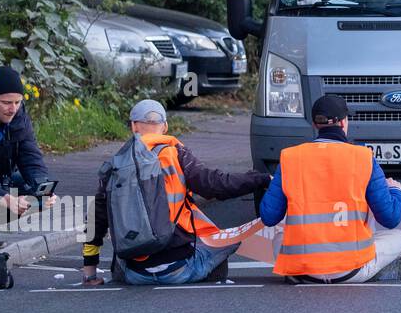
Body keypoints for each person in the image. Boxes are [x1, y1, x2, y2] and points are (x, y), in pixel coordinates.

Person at [81, 99, 271, 286]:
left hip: (135, 274)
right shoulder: (176, 155)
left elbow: (96, 218)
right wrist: (261, 179)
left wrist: (90, 271)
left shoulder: (115, 165)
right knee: (227, 242)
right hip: (179, 269)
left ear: (133, 127)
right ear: (165, 127)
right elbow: (216, 184)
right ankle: (210, 278)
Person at [259, 94, 401, 283]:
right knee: (399, 236)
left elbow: (268, 217)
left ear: (315, 125)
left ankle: (294, 271)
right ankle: (372, 271)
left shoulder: (290, 158)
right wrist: (395, 191)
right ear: (343, 123)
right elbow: (390, 218)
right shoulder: (363, 158)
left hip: (302, 272)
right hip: (350, 270)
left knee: (280, 236)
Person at [0, 66, 53, 250]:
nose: (13, 109)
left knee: (30, 191)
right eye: (6, 102)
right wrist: (2, 196)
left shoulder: (19, 118)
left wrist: (43, 189)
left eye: (17, 102)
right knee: (4, 196)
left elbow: (31, 157)